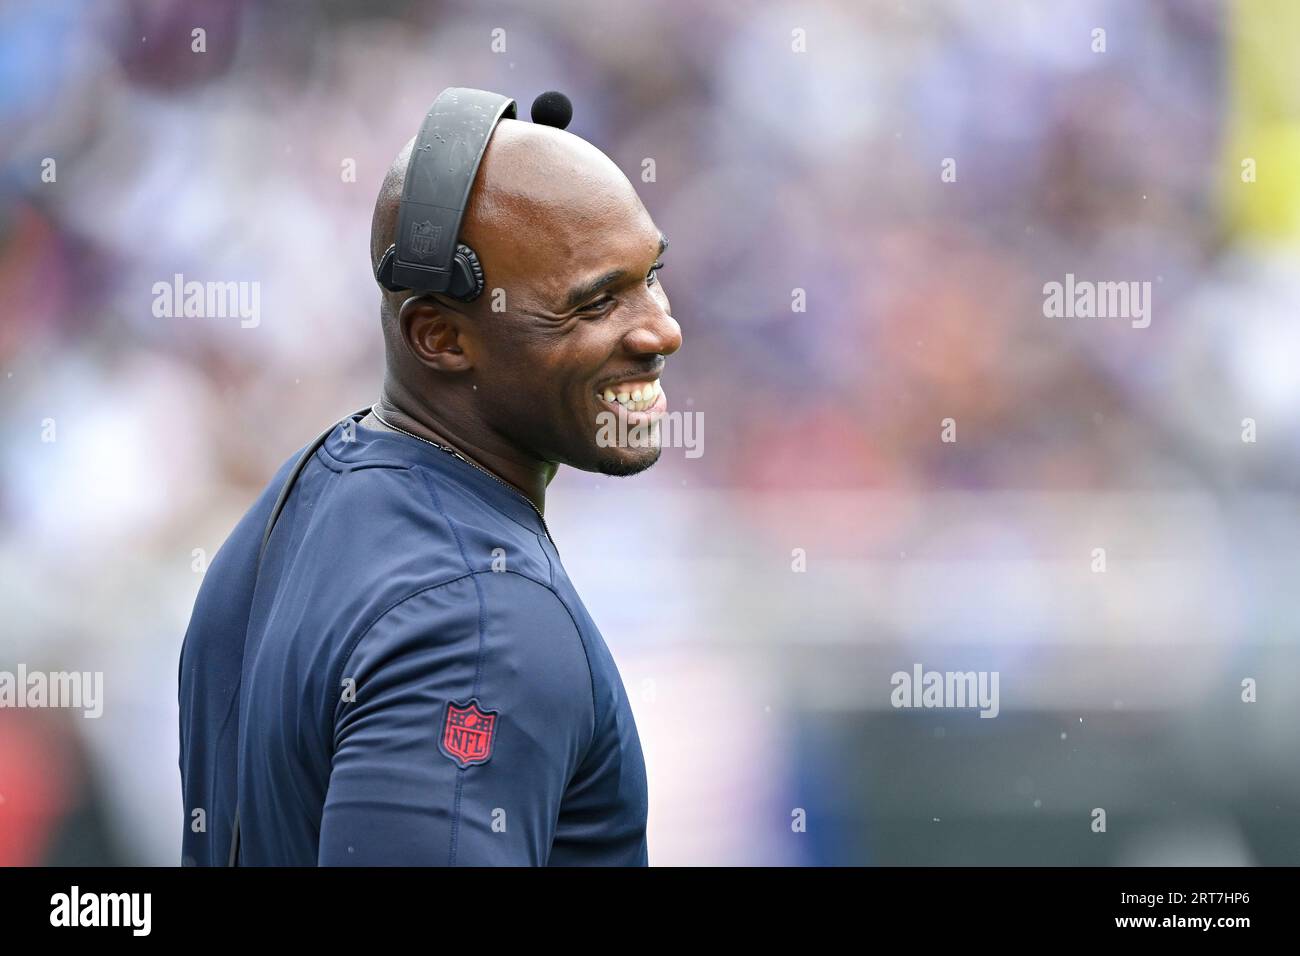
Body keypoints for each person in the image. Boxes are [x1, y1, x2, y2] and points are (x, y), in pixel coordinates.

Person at [178, 104, 682, 865]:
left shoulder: (295, 500)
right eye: (597, 301)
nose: (660, 331)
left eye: (652, 276)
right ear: (441, 338)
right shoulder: (484, 626)